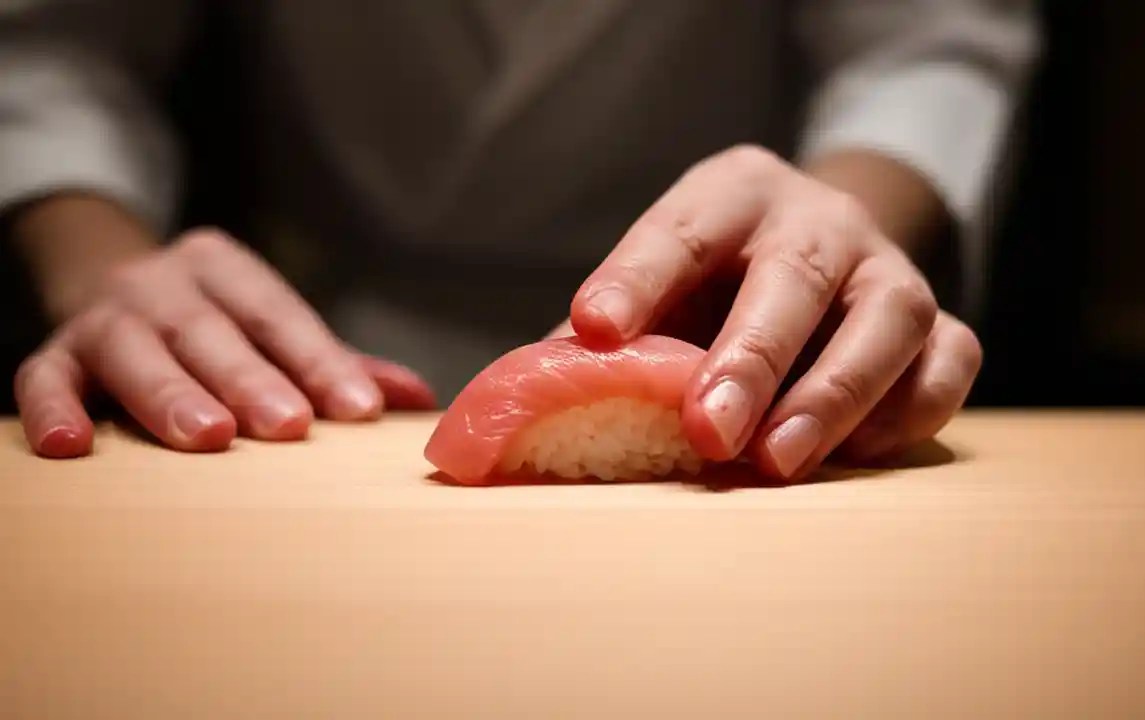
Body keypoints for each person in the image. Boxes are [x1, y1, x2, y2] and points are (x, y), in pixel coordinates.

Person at [2, 1, 1037, 480]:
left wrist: (826, 242)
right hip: (332, 365)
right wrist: (101, 269)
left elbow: (922, 46)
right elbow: (49, 48)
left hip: (737, 334)